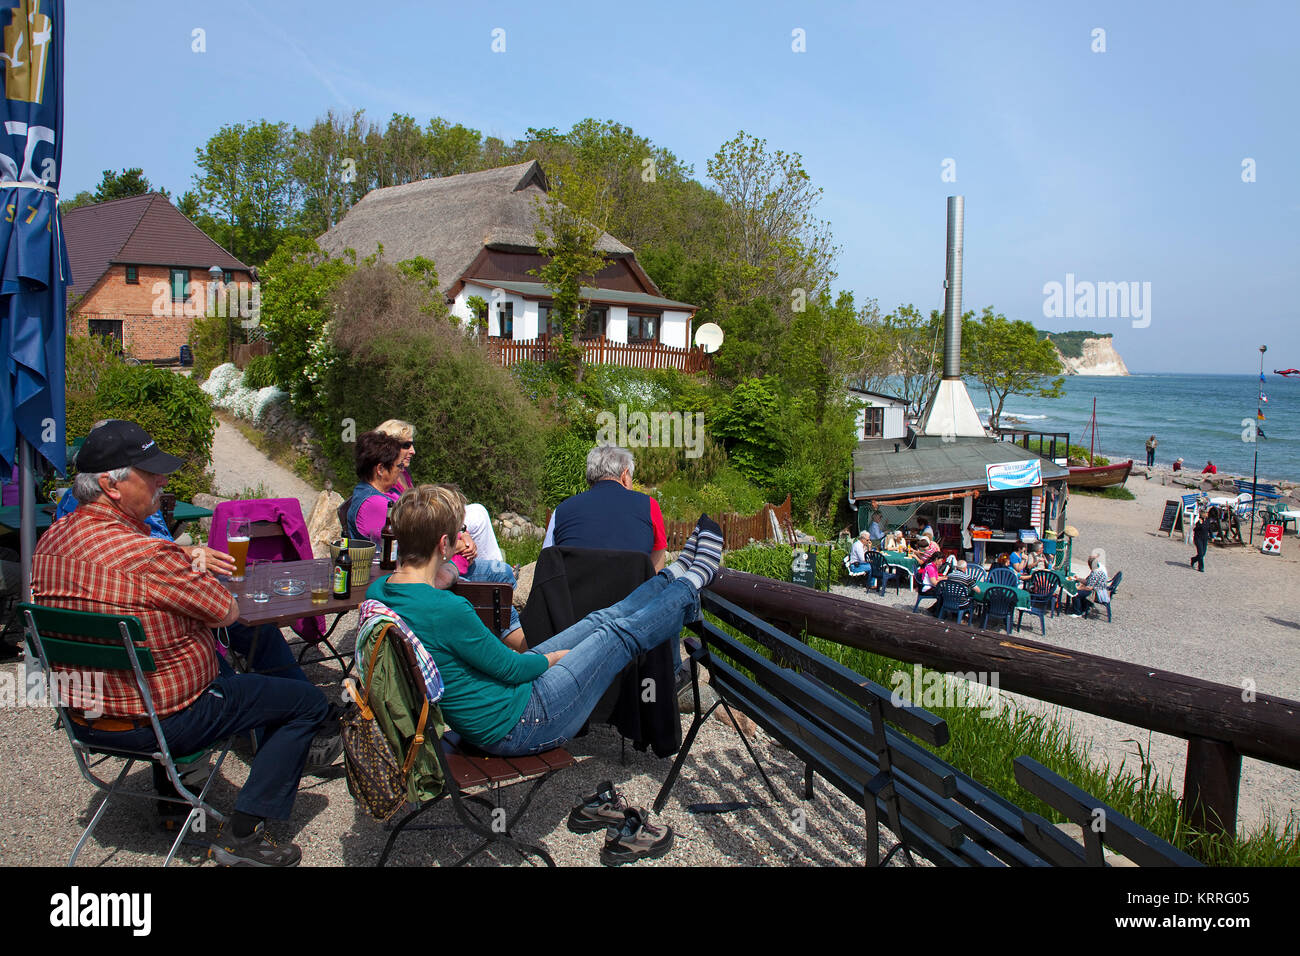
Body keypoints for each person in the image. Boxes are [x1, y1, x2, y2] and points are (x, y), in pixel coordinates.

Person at [30, 420, 333, 866]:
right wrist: (189, 560)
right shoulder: (149, 556)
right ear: (112, 487)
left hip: (86, 716)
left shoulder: (49, 544)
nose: (162, 481)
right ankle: (242, 839)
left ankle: (176, 807)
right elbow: (228, 612)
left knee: (162, 659)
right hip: (161, 720)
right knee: (304, 701)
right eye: (150, 473)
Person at [367, 487, 726, 859]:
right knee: (615, 635)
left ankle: (673, 576)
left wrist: (443, 573)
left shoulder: (381, 592)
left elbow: (499, 660)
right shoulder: (446, 610)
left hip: (497, 705)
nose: (463, 540)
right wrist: (555, 658)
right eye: (458, 534)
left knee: (599, 620)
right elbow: (513, 665)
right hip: (523, 722)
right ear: (444, 543)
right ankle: (692, 583)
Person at [375, 419, 505, 565]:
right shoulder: (386, 483)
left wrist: (462, 532)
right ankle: (492, 569)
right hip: (420, 532)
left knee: (477, 513)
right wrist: (458, 543)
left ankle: (491, 567)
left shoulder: (403, 474)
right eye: (406, 445)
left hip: (425, 523)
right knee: (478, 515)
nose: (413, 451)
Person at [543, 445, 667, 572]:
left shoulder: (561, 510)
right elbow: (657, 560)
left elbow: (547, 559)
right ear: (624, 475)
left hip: (573, 590)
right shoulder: (650, 505)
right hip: (634, 590)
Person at [1070, 549, 1110, 618]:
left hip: (1096, 593)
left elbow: (1089, 587)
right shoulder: (1098, 570)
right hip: (1096, 590)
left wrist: (1079, 588)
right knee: (1079, 591)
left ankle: (1077, 612)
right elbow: (1088, 582)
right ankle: (1083, 608)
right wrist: (1078, 579)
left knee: (1075, 593)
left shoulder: (1095, 573)